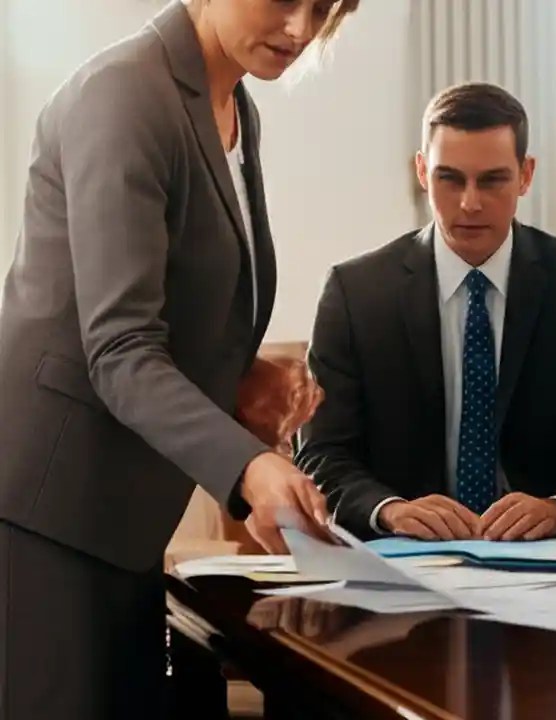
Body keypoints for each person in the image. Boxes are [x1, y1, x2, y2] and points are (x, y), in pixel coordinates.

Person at [0, 1, 358, 716]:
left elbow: (170, 313)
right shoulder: (125, 93)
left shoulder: (233, 106)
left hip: (122, 517)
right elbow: (121, 346)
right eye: (283, 0)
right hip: (49, 514)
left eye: (322, 8)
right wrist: (249, 469)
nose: (300, 29)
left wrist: (242, 382)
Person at [297, 82, 556, 542]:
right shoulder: (356, 293)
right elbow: (322, 453)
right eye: (450, 178)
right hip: (405, 557)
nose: (469, 203)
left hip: (548, 556)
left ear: (525, 175)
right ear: (422, 172)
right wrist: (390, 511)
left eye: (492, 180)